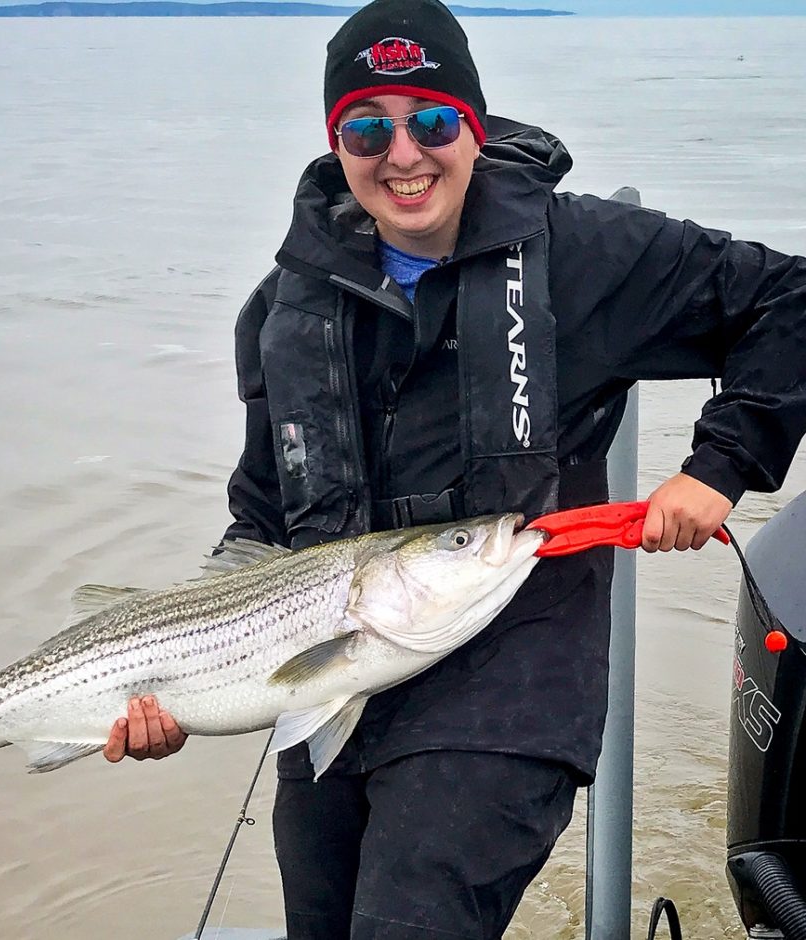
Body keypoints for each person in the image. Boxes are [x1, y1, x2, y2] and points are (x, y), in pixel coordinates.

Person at [104, 0, 806, 935]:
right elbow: (262, 518)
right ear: (335, 141)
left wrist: (720, 464)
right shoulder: (284, 307)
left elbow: (788, 301)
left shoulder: (580, 255)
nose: (403, 155)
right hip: (334, 687)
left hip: (510, 683)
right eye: (367, 127)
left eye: (431, 122)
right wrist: (176, 677)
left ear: (471, 124)